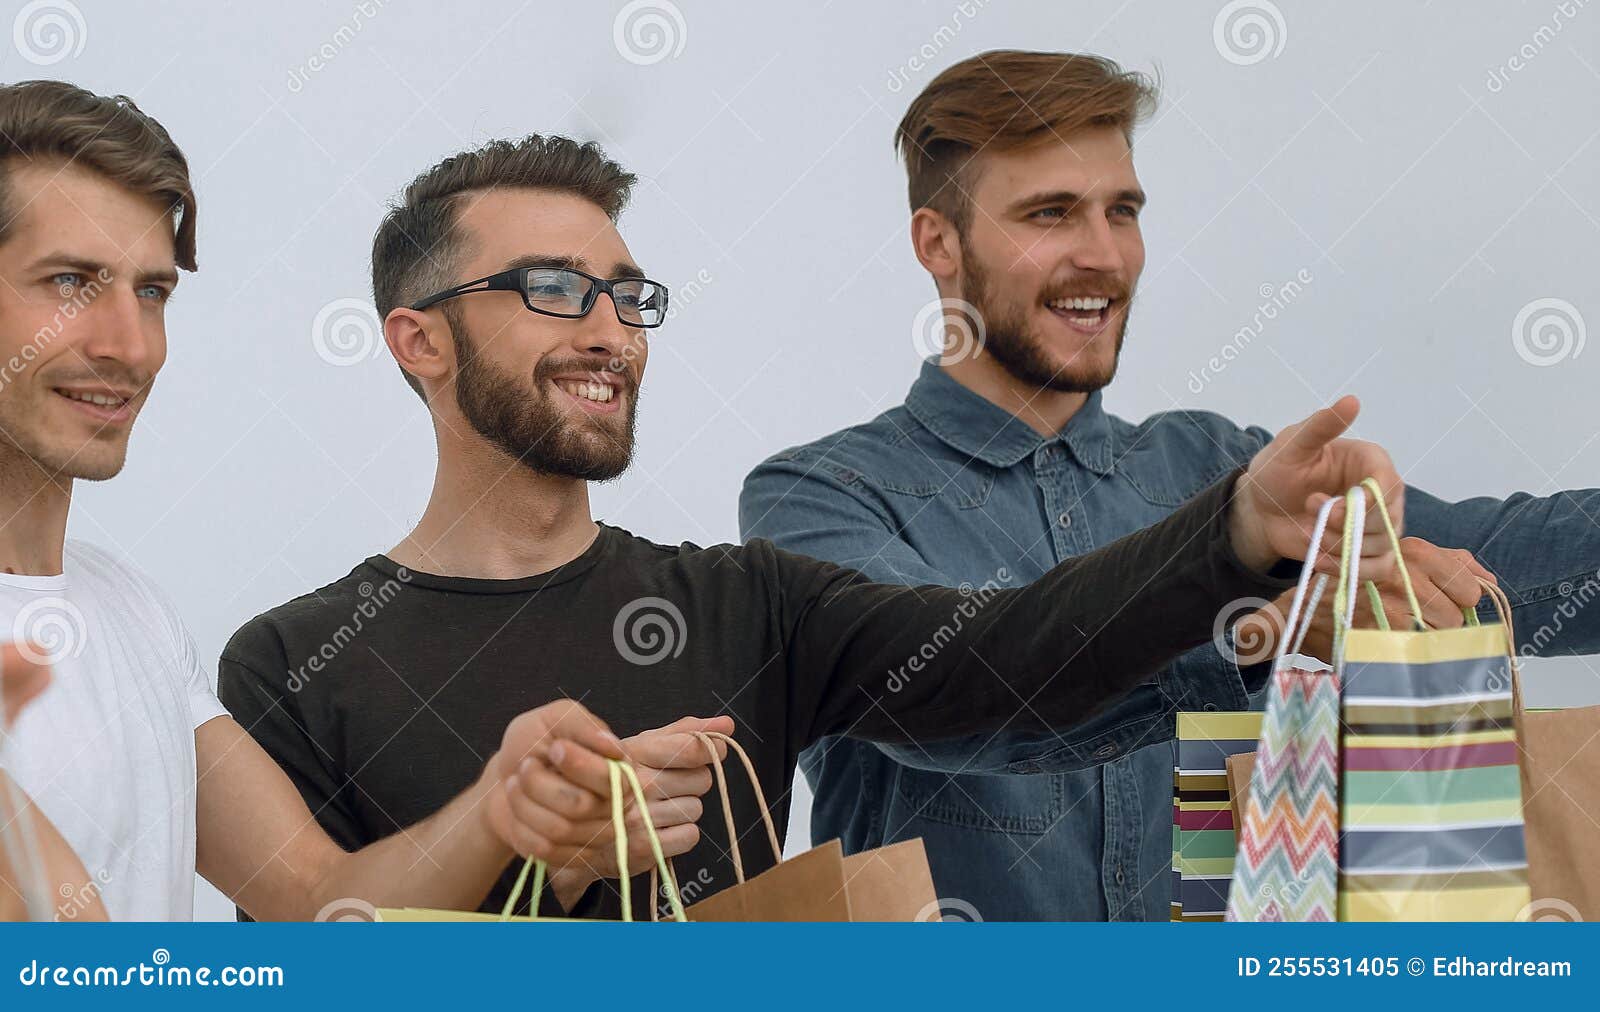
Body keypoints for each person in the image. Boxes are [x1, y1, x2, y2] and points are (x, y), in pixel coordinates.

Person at [221, 130, 1404, 920]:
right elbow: (313, 951)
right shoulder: (291, 661)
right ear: (417, 338)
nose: (608, 332)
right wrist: (510, 826)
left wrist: (1233, 529)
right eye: (552, 290)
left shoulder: (750, 604)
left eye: (628, 296)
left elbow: (1017, 652)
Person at [739, 50, 1600, 921]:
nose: (1105, 256)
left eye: (1124, 211)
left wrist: (1377, 585)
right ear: (938, 243)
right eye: (1051, 214)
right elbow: (962, 706)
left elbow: (1525, 560)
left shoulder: (1220, 469)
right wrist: (1256, 630)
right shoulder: (821, 497)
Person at [0, 80, 720, 922]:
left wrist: (497, 810)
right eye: (70, 283)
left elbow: (320, 904)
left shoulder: (131, 614)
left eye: (152, 292)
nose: (129, 345)